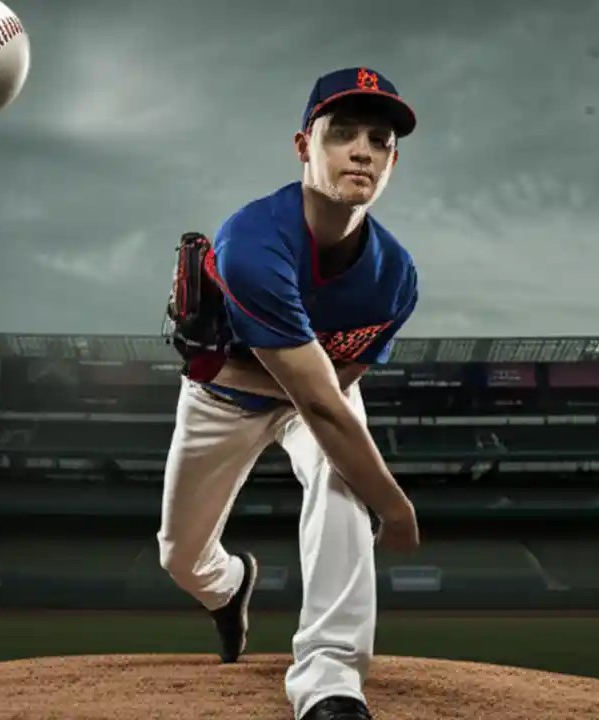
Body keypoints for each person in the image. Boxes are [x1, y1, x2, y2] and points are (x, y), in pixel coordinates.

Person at [156, 67, 422, 720]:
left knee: (342, 478)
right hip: (221, 406)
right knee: (180, 556)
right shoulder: (252, 242)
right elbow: (323, 400)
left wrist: (375, 495)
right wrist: (399, 509)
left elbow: (332, 400)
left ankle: (330, 681)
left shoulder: (396, 278)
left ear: (394, 158)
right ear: (305, 146)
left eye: (380, 138)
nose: (363, 149)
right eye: (343, 133)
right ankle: (229, 585)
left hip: (311, 393)